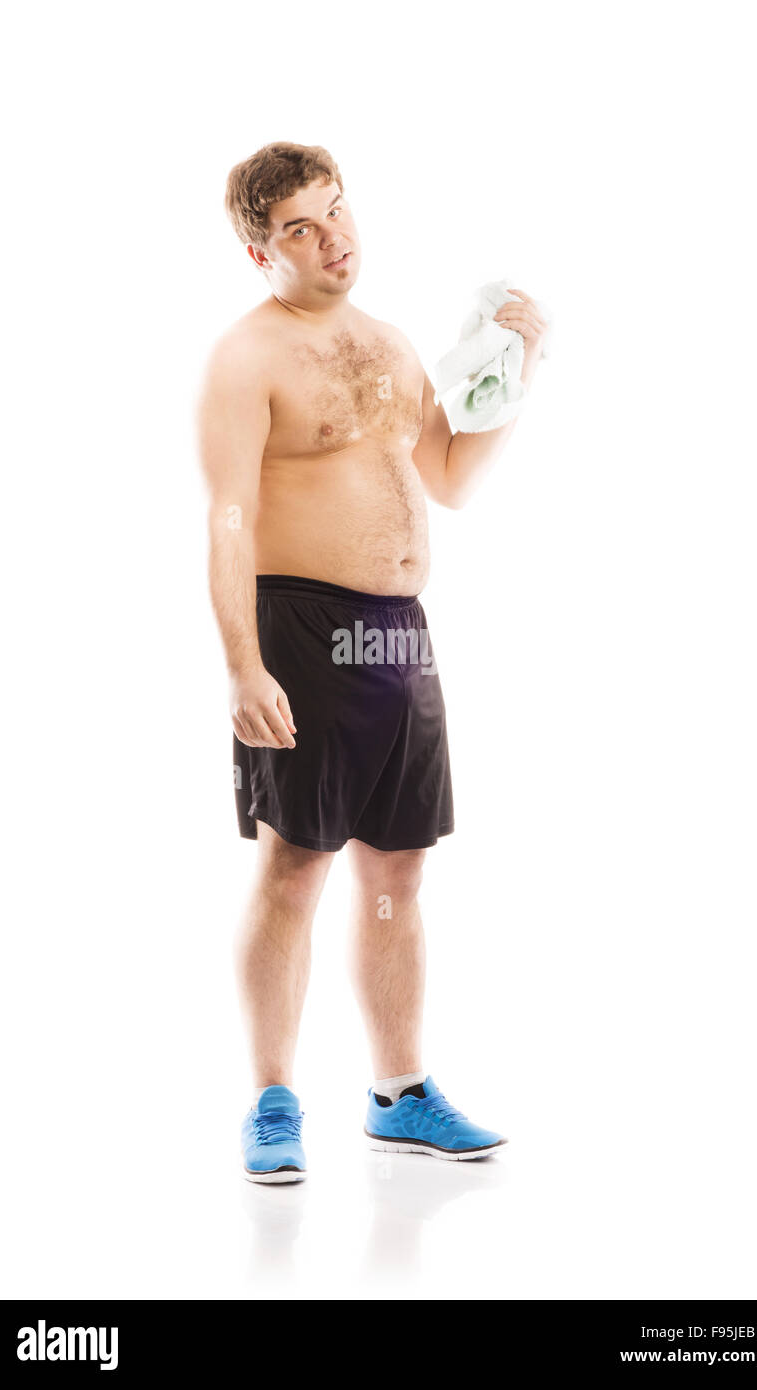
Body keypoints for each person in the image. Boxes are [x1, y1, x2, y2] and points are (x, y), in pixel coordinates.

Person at [196, 142, 548, 1182]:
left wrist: (515, 381)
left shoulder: (391, 346)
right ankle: (270, 1097)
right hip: (299, 630)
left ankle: (398, 1094)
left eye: (336, 210)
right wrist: (241, 665)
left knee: (398, 870)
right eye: (300, 226)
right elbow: (226, 519)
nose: (332, 236)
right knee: (295, 865)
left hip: (399, 638)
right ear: (260, 250)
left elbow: (445, 476)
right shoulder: (245, 360)